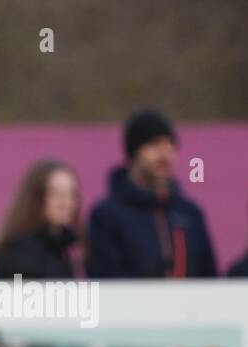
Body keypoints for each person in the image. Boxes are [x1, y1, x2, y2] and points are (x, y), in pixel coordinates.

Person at [86, 109, 216, 278]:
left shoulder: (190, 213)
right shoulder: (106, 216)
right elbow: (106, 281)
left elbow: (210, 279)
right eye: (154, 145)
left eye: (170, 145)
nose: (165, 154)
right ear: (134, 153)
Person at [0, 160, 81, 279]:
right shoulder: (19, 254)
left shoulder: (65, 248)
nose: (67, 203)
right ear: (35, 198)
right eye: (56, 194)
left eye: (72, 194)